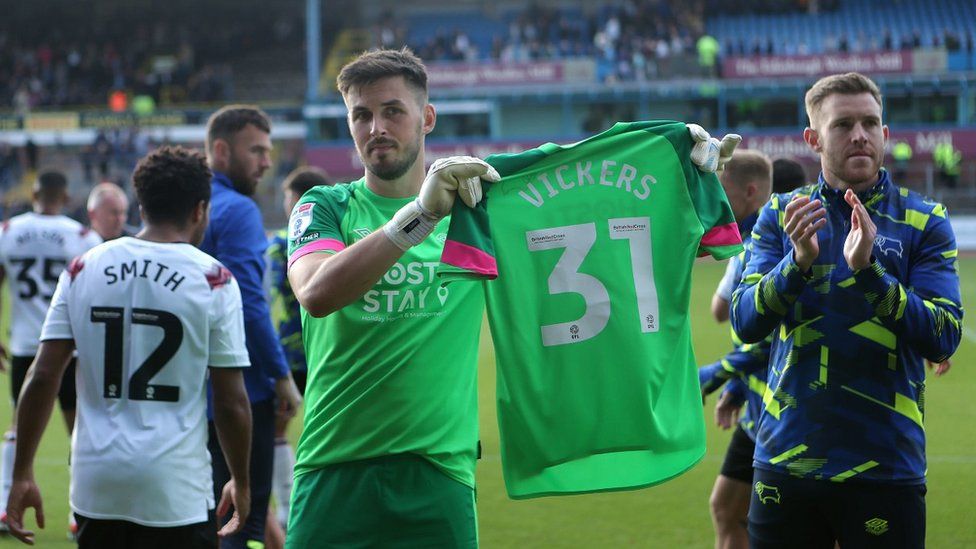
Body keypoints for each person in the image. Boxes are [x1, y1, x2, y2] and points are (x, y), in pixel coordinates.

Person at [284, 47, 738, 547]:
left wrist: (674, 172)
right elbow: (316, 292)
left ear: (426, 117)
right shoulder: (326, 204)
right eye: (361, 115)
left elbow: (598, 218)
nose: (376, 128)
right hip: (332, 466)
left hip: (439, 473)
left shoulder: (475, 212)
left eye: (393, 111)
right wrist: (418, 217)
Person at [730, 72, 962, 548]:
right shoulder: (781, 216)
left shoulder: (925, 221)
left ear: (885, 134)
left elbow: (944, 335)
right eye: (843, 125)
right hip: (786, 461)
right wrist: (796, 265)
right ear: (813, 138)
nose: (860, 134)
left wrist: (871, 274)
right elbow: (746, 321)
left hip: (885, 466)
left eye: (871, 123)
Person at [4, 146, 253, 548]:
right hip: (176, 488)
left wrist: (21, 474)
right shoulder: (214, 279)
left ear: (141, 205)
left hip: (96, 485)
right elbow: (230, 402)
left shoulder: (83, 267)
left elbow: (44, 375)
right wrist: (241, 481)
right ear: (200, 210)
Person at [200, 105, 303, 549]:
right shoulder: (237, 209)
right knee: (243, 521)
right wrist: (282, 378)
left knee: (203, 519)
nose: (266, 162)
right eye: (256, 151)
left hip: (187, 391)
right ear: (221, 151)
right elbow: (248, 304)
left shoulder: (186, 206)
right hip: (241, 390)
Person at [699, 152, 807, 549]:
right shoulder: (751, 245)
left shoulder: (792, 250)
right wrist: (738, 388)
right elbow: (751, 331)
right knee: (726, 509)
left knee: (810, 528)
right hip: (757, 405)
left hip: (790, 411)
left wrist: (713, 377)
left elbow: (773, 339)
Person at [0, 170, 102, 532]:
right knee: (79, 428)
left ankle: (2, 504)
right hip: (70, 345)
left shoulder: (9, 231)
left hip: (26, 343)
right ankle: (80, 516)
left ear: (34, 192)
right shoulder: (82, 236)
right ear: (66, 196)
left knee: (17, 426)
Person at [266, 165, 332, 537]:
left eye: (291, 200)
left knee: (276, 430)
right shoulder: (348, 237)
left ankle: (291, 511)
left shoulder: (279, 244)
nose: (288, 208)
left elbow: (265, 298)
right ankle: (305, 510)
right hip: (330, 351)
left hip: (291, 355)